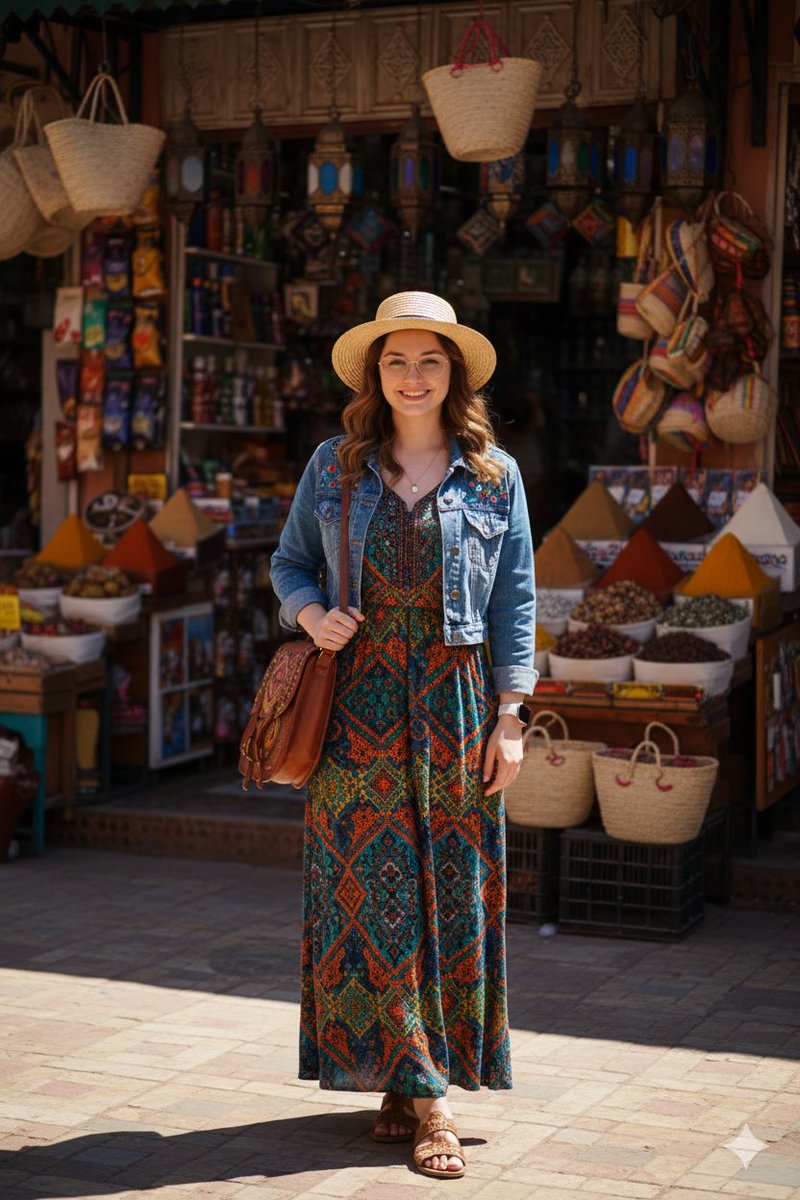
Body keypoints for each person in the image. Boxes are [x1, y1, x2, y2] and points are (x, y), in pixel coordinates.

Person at [270, 291, 537, 1180]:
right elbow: (289, 562)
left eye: (429, 361)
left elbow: (514, 602)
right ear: (374, 376)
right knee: (368, 891)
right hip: (357, 709)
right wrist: (311, 615)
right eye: (396, 361)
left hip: (458, 704)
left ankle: (407, 1076)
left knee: (447, 894)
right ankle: (430, 1101)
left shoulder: (494, 475)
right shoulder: (334, 467)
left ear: (453, 374)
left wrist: (512, 717)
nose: (413, 376)